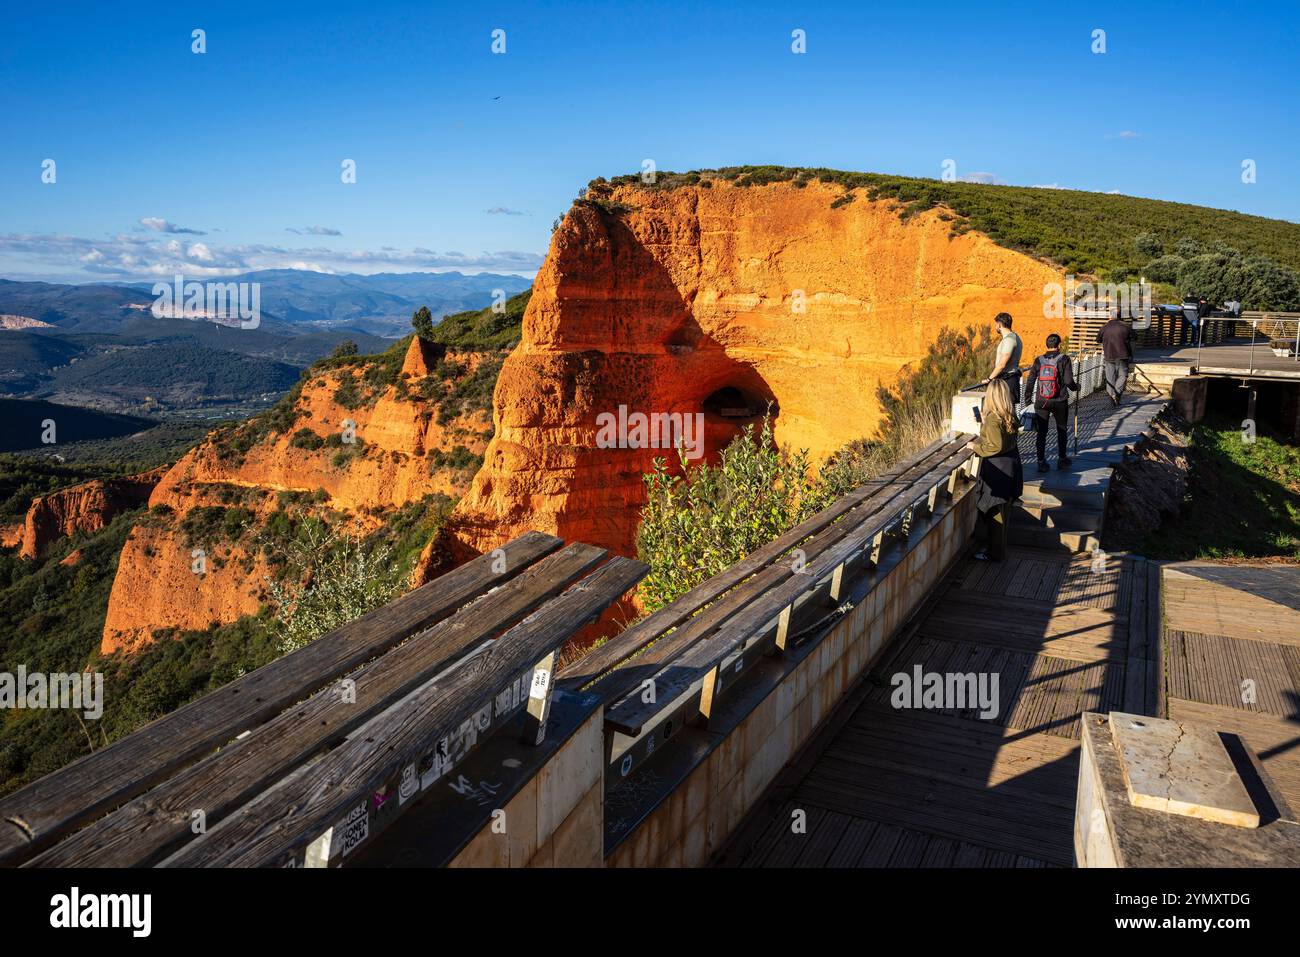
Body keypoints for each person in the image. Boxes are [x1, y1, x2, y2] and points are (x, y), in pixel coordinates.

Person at [965, 378, 1023, 561]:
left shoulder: (992, 419)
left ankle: (995, 555)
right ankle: (998, 551)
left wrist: (975, 447)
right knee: (1003, 512)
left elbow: (995, 446)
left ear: (990, 396)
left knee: (995, 514)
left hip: (997, 470)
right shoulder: (1009, 414)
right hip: (1011, 466)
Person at [1025, 334, 1080, 473]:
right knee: (1061, 429)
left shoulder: (1038, 360)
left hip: (1042, 401)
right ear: (1059, 345)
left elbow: (1030, 381)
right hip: (1060, 400)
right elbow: (1068, 381)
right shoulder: (1064, 359)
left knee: (1041, 432)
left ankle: (1041, 462)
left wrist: (1028, 401)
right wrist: (1076, 387)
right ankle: (1062, 460)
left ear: (1046, 345)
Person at [1095, 314, 1135, 405]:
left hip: (1109, 355)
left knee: (1110, 377)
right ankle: (1117, 393)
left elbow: (1098, 340)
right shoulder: (1126, 326)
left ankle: (1111, 396)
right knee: (1123, 375)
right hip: (1123, 356)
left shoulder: (1104, 328)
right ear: (1120, 316)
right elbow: (1135, 337)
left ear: (1110, 317)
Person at [985, 312, 1024, 405]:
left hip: (1007, 382)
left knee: (1006, 413)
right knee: (1008, 413)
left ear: (999, 325)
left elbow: (1002, 364)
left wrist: (989, 379)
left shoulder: (1009, 340)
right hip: (1010, 380)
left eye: (996, 324)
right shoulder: (1015, 337)